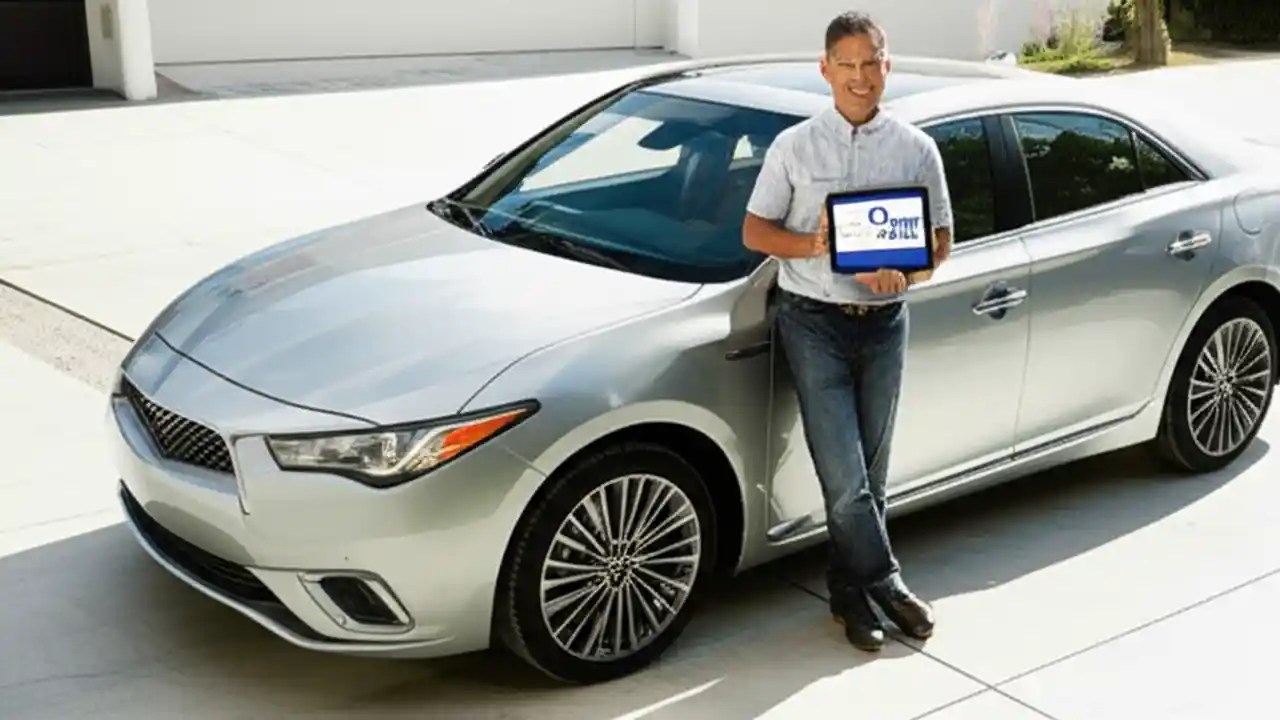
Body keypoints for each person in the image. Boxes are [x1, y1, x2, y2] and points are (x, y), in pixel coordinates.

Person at [742, 10, 954, 652]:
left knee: (871, 477)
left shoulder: (917, 149)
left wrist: (907, 276)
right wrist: (810, 243)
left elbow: (940, 242)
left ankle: (849, 596)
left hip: (885, 324)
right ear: (826, 69)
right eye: (847, 65)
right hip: (814, 325)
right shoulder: (794, 147)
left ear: (886, 67)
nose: (859, 78)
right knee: (844, 474)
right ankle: (887, 583)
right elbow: (755, 232)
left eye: (871, 65)